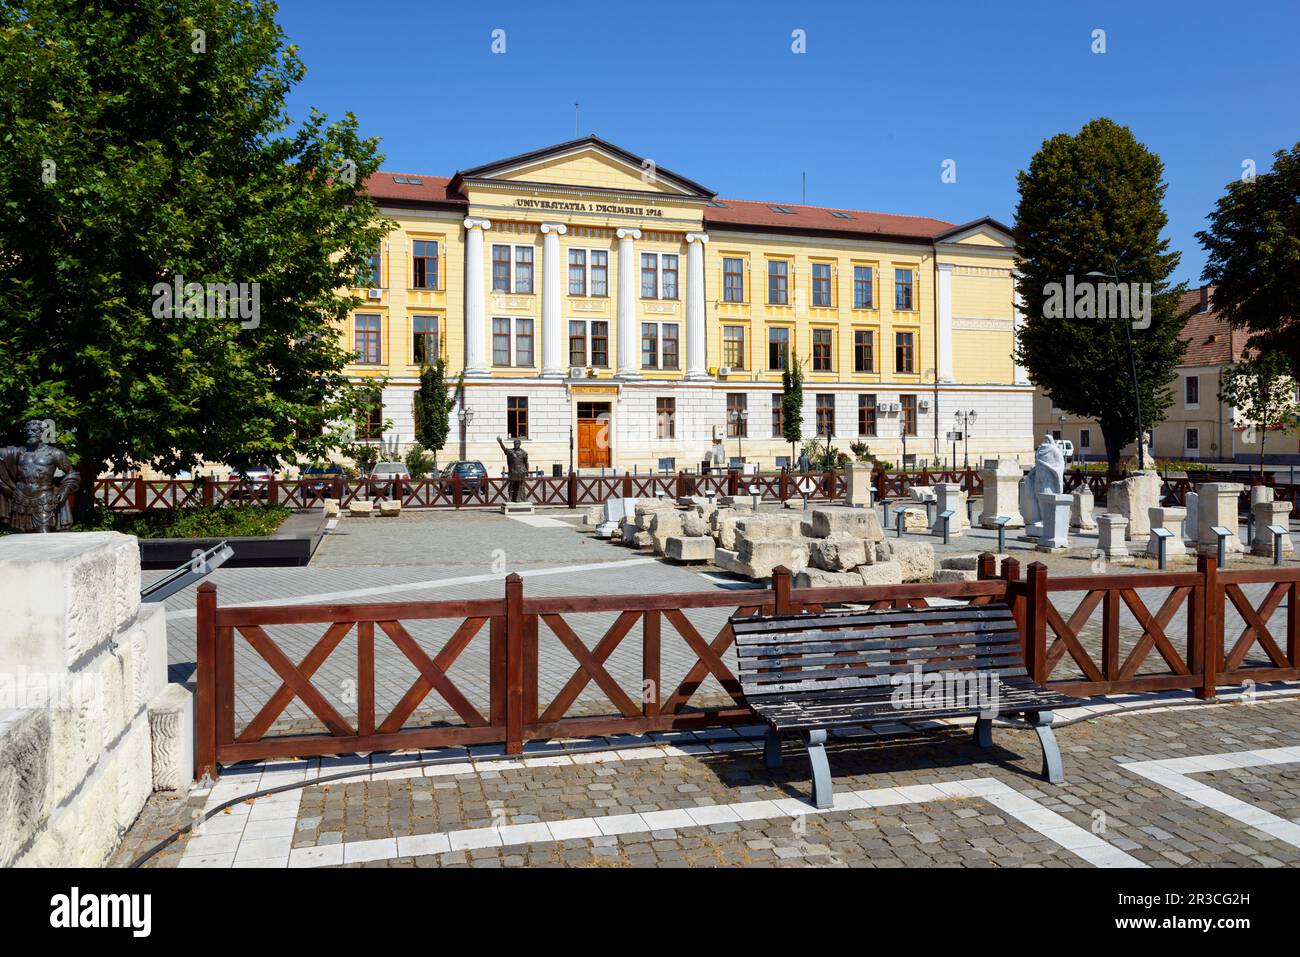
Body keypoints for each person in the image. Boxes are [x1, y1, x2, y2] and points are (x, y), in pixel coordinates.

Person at [0, 419, 80, 532]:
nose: (30, 433)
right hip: (21, 500)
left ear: (42, 433)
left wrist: (65, 489)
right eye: (27, 431)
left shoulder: (55, 453)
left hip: (44, 500)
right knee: (24, 538)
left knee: (43, 537)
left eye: (34, 430)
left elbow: (73, 473)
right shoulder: (19, 453)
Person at [496, 435, 529, 503]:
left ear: (520, 444)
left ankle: (519, 498)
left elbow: (526, 462)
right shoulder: (511, 452)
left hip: (521, 471)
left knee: (520, 485)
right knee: (511, 485)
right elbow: (504, 449)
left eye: (517, 443)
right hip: (513, 471)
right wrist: (500, 442)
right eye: (515, 443)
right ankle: (511, 497)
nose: (516, 445)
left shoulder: (524, 453)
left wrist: (527, 471)